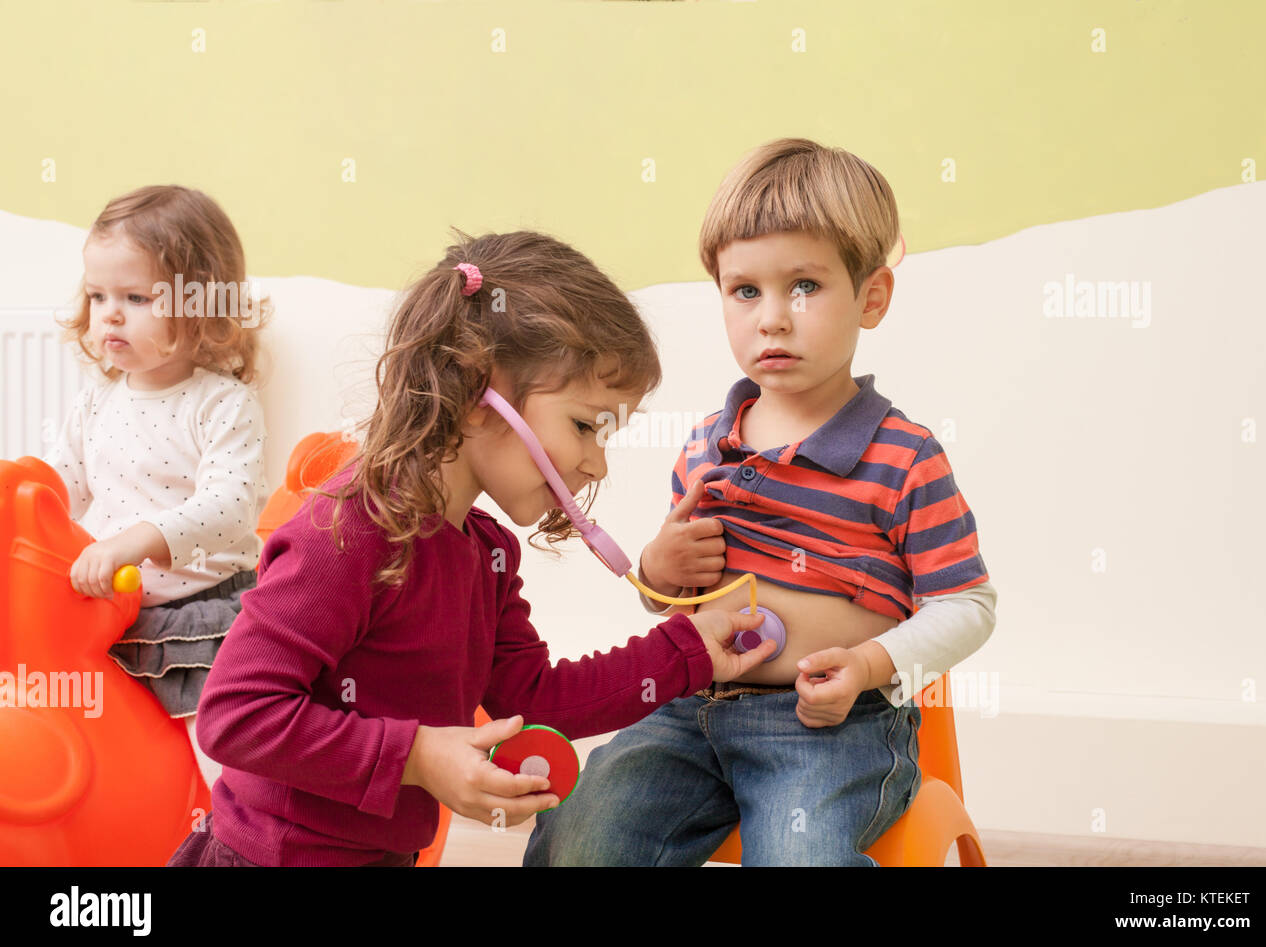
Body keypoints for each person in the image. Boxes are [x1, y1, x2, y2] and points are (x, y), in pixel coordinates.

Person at [167, 228, 773, 867]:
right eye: (585, 426)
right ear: (479, 393)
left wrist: (688, 652)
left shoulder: (485, 555)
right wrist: (419, 757)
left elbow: (536, 698)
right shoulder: (348, 531)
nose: (596, 464)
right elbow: (235, 714)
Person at [525, 138, 999, 866]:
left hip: (833, 725)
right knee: (580, 838)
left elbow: (967, 606)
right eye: (745, 291)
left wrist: (871, 666)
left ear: (871, 296)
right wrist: (661, 566)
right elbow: (669, 602)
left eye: (804, 286)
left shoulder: (903, 456)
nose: (771, 318)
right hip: (689, 708)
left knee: (798, 855)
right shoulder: (706, 446)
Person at [47, 184, 270, 791]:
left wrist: (132, 542)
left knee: (218, 752)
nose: (110, 314)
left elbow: (228, 510)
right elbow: (57, 490)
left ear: (202, 307)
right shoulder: (95, 401)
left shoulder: (221, 404)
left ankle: (242, 840)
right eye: (98, 296)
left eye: (136, 297)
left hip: (202, 615)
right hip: (107, 614)